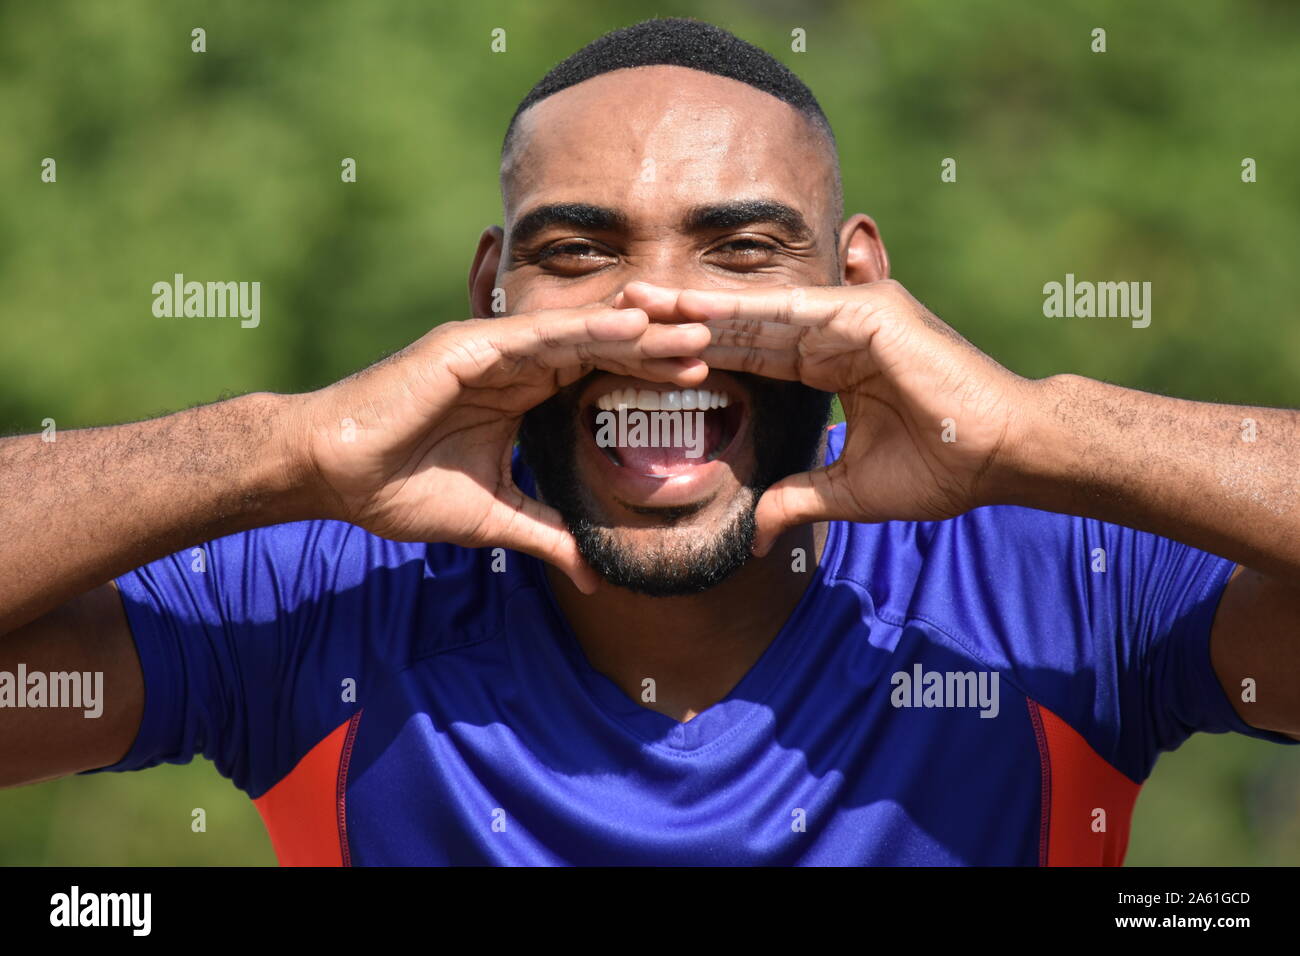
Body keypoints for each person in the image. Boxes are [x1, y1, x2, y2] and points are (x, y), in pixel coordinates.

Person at [1, 18, 1295, 866]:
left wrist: (1031, 423)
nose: (657, 327)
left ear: (859, 286)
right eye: (579, 254)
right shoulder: (334, 584)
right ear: (487, 295)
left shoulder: (1046, 578)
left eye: (740, 251)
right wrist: (285, 444)